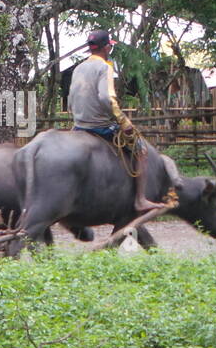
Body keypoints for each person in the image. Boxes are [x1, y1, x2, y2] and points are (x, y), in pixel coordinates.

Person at [67, 29, 164, 211]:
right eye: (109, 47)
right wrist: (123, 120)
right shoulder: (105, 67)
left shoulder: (78, 68)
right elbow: (106, 97)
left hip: (79, 125)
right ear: (106, 48)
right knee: (141, 149)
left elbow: (71, 99)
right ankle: (141, 199)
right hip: (100, 125)